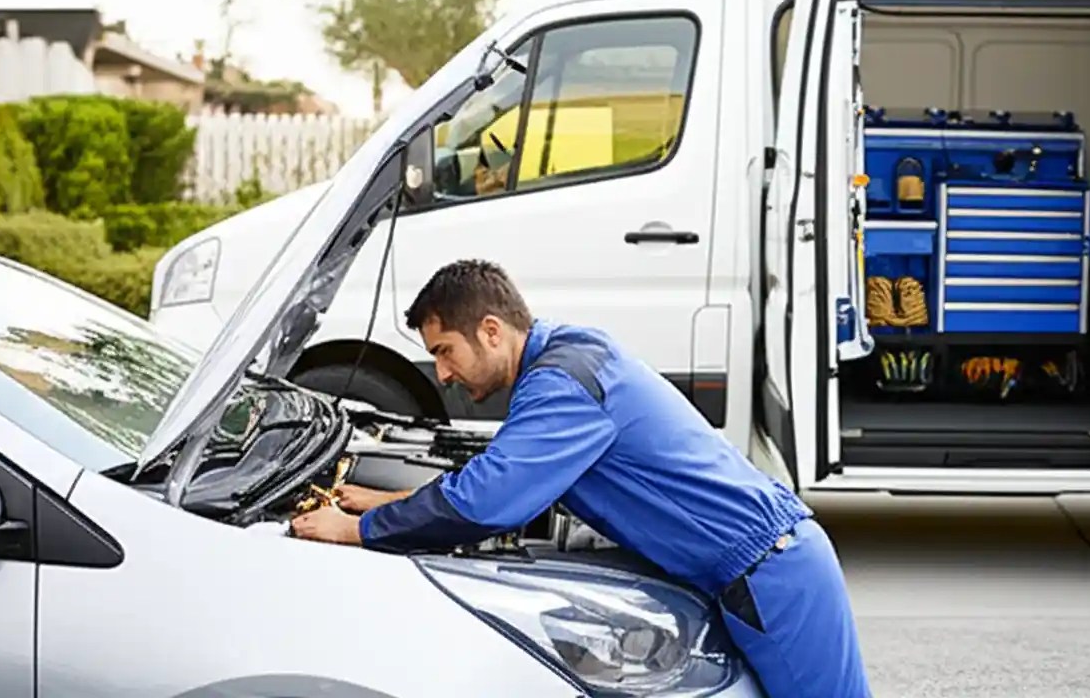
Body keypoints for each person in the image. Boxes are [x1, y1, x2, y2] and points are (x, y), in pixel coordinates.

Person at [291, 259, 871, 698]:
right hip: (761, 569)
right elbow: (509, 479)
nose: (441, 373)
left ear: (491, 331)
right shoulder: (570, 358)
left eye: (445, 351)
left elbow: (489, 500)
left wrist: (356, 532)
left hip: (772, 574)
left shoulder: (562, 384)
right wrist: (383, 500)